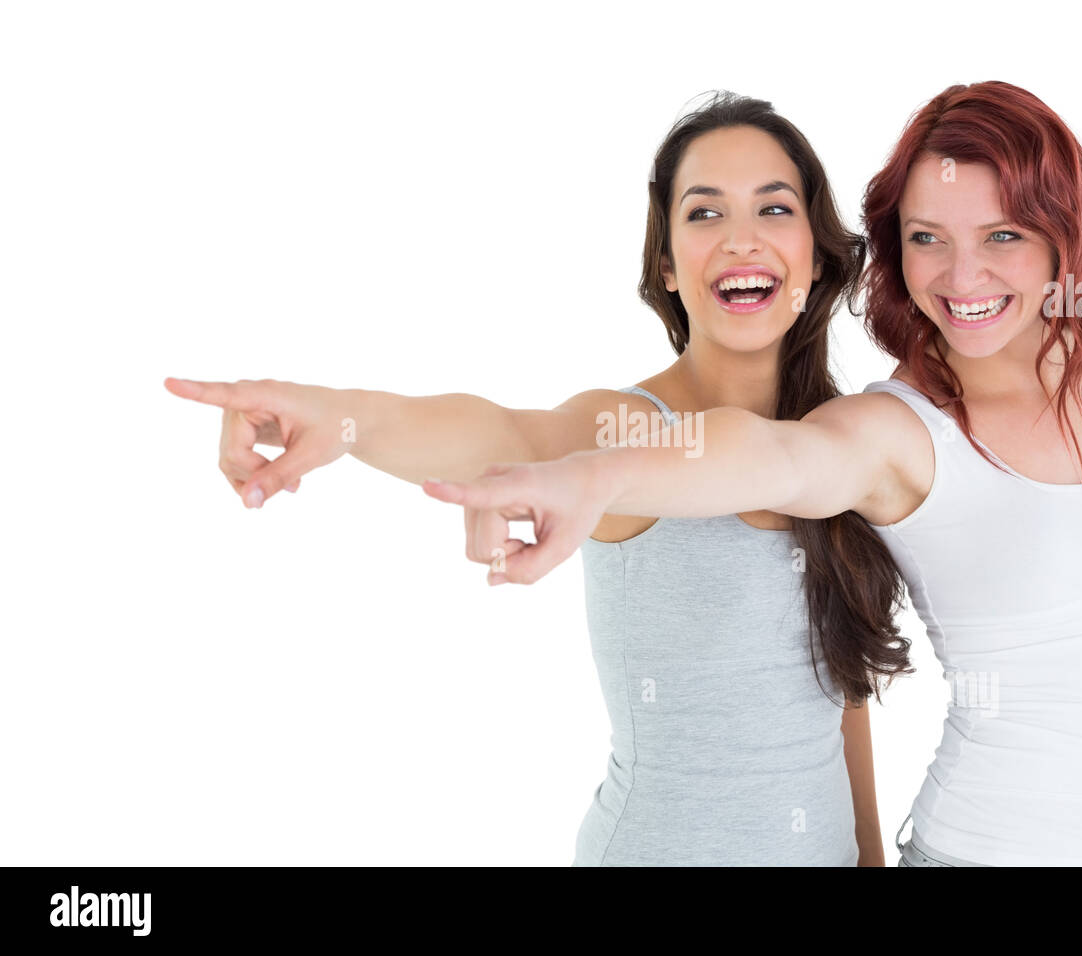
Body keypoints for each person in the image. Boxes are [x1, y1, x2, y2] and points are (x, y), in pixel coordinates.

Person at [425, 82, 1082, 867]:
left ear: (1061, 230)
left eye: (1003, 235)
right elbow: (770, 456)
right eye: (928, 238)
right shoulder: (895, 424)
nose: (963, 277)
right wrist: (594, 475)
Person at [165, 92, 911, 866]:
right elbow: (508, 433)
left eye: (773, 208)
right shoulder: (624, 432)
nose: (741, 240)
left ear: (817, 254)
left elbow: (843, 697)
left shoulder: (840, 443)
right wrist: (349, 417)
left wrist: (866, 854)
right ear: (667, 264)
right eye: (704, 214)